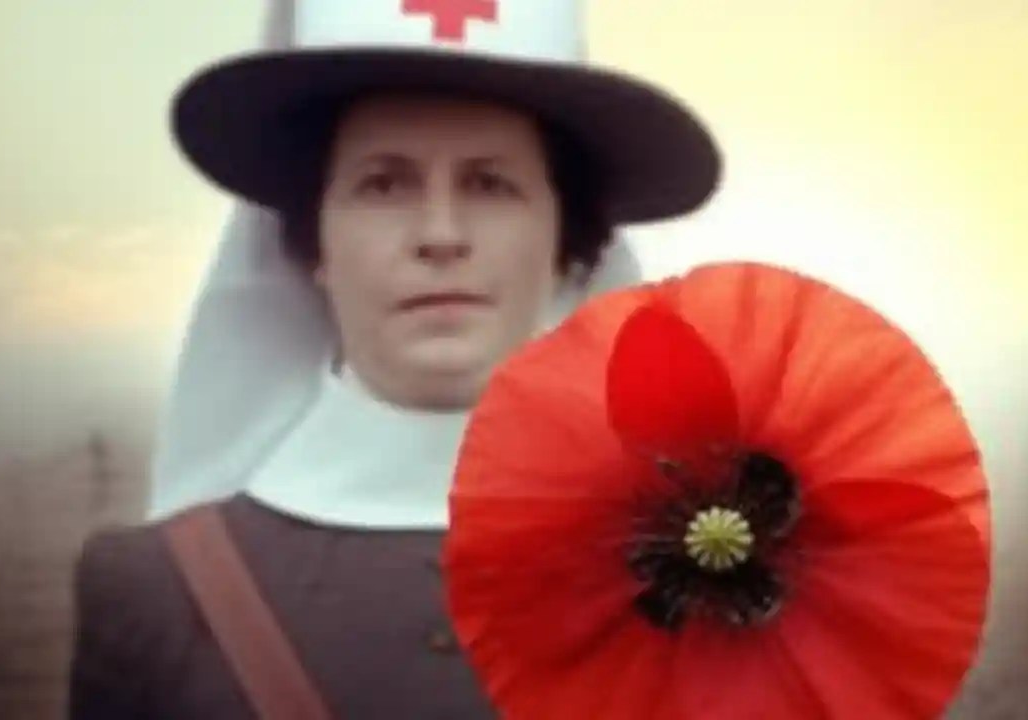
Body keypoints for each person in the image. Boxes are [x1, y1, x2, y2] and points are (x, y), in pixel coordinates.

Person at [67, 0, 721, 717]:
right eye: (383, 184)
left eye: (490, 184)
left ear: (567, 245)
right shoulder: (159, 593)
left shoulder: (714, 587)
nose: (440, 234)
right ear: (313, 244)